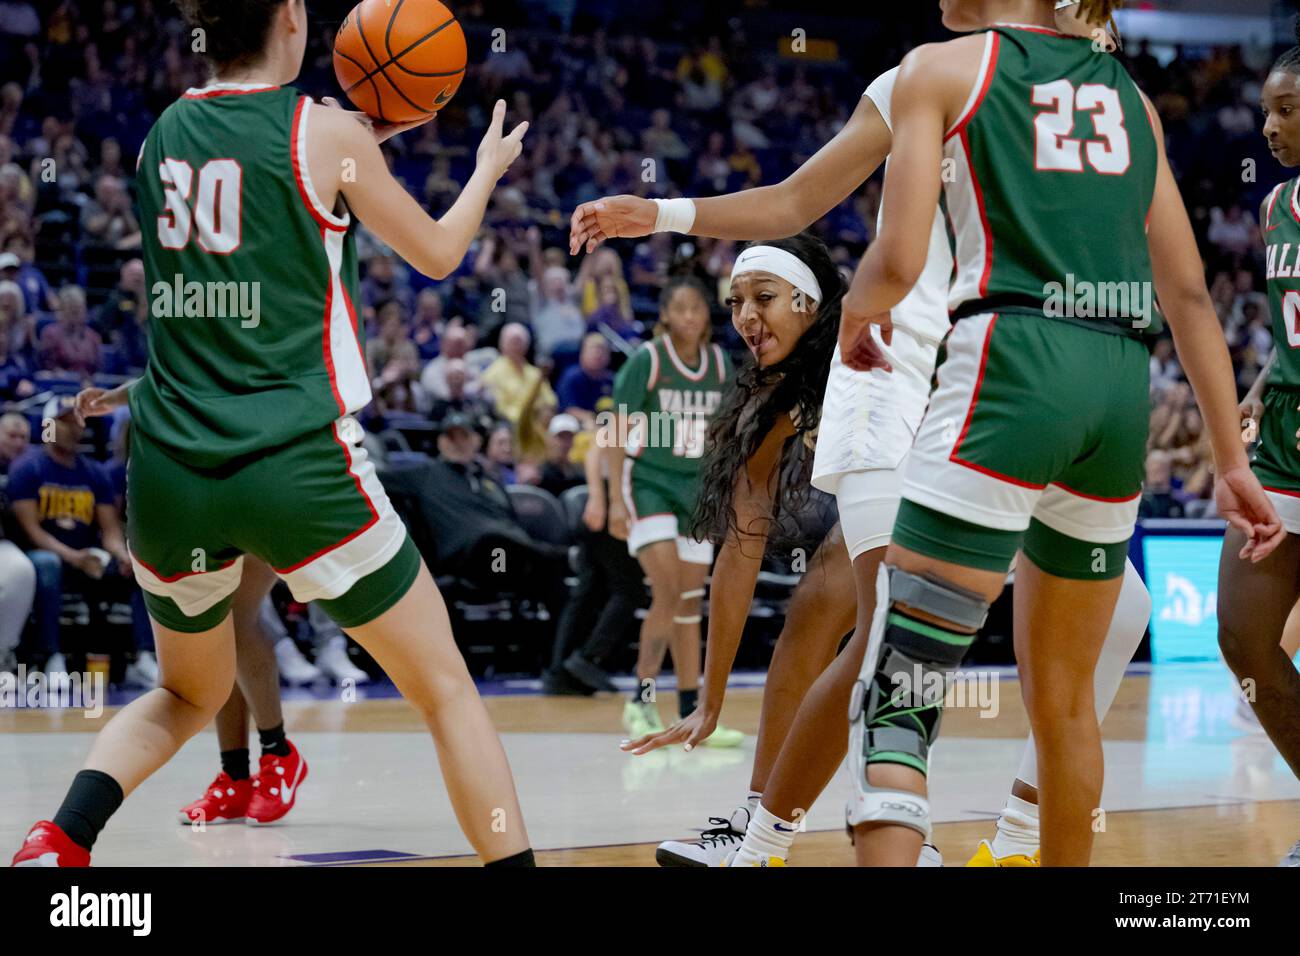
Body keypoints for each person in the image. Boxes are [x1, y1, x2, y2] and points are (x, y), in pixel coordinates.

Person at [574, 0, 1153, 869]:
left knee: (1124, 615)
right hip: (892, 369)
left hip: (1000, 386)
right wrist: (662, 215)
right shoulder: (926, 78)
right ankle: (772, 833)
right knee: (893, 632)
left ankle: (1022, 838)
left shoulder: (1098, 107)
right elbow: (797, 198)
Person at [12, 0, 533, 867]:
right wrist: (484, 167)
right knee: (444, 687)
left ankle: (58, 840)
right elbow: (438, 252)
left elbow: (257, 216)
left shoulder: (159, 138)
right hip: (294, 465)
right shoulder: (326, 135)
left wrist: (362, 141)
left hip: (170, 472)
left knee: (184, 691)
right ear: (292, 18)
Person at [831, 0, 1278, 866]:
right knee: (1068, 707)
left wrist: (857, 309)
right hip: (1117, 386)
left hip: (1010, 362)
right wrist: (1230, 459)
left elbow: (897, 259)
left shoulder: (941, 68)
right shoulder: (1135, 101)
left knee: (901, 695)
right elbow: (1187, 295)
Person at [1219, 31, 1300, 867]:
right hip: (1281, 442)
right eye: (1265, 111)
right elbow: (1288, 330)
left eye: (1287, 110)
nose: (1268, 127)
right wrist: (1260, 381)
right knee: (1243, 637)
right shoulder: (1276, 208)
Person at [605, 275, 740, 746]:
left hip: (697, 491)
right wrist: (614, 501)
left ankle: (690, 711)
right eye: (679, 308)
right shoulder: (647, 361)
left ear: (707, 316)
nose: (689, 316)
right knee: (665, 594)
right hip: (649, 485)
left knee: (689, 605)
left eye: (697, 309)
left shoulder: (721, 364)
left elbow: (726, 436)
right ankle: (640, 701)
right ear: (664, 315)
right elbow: (615, 431)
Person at [7, 397, 133, 677]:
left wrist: (124, 556)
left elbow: (110, 530)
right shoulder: (28, 468)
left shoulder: (94, 473)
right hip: (41, 555)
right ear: (48, 427)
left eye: (78, 422)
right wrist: (75, 558)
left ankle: (139, 657)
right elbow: (33, 532)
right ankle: (51, 656)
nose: (75, 429)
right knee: (48, 565)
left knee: (133, 570)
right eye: (65, 422)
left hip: (86, 555)